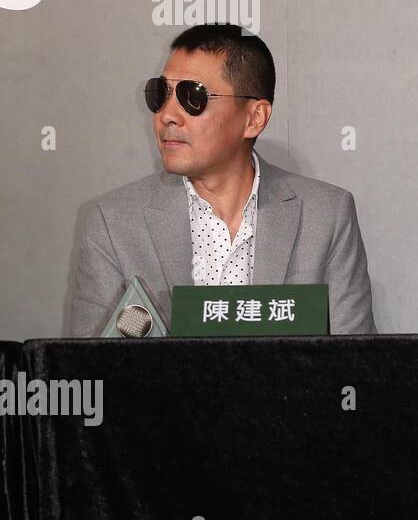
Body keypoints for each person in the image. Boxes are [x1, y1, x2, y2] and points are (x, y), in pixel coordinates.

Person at [70, 24, 376, 335]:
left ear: (254, 118)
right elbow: (89, 366)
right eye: (161, 94)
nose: (167, 115)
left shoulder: (326, 215)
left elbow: (353, 362)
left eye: (192, 96)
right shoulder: (114, 222)